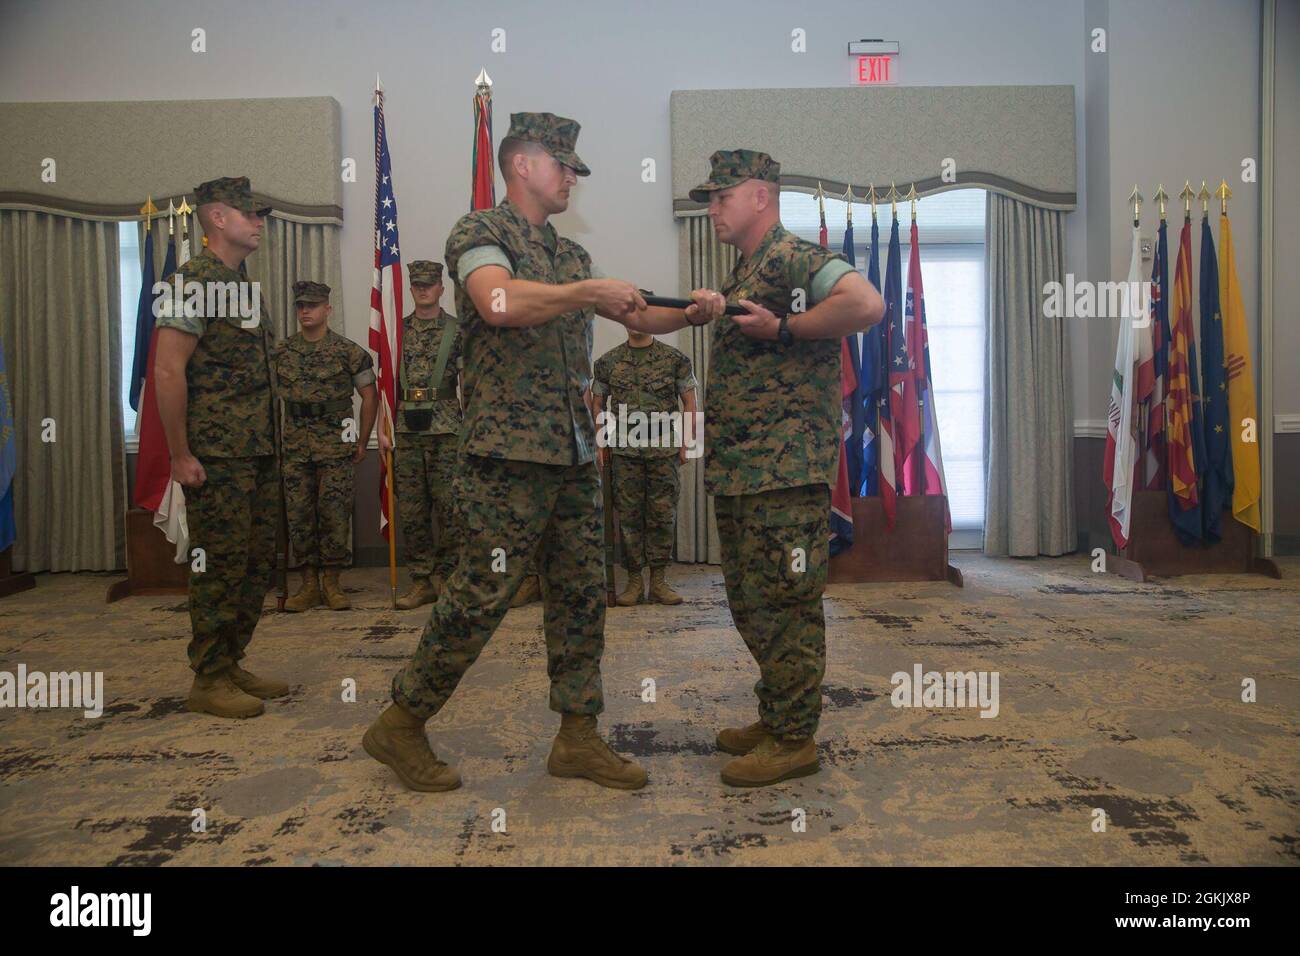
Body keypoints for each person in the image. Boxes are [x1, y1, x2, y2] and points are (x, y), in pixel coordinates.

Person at [362, 112, 650, 792]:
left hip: (574, 455)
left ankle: (577, 735)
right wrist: (587, 294)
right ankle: (401, 722)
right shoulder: (480, 234)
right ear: (522, 164)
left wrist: (690, 311)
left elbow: (634, 312)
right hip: (506, 457)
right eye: (563, 165)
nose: (573, 178)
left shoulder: (571, 256)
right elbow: (495, 301)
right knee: (481, 595)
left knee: (581, 596)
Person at [621, 149, 884, 786]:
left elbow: (867, 305)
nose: (712, 209)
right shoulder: (745, 270)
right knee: (751, 600)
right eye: (709, 199)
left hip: (785, 470)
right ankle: (778, 715)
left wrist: (786, 328)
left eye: (721, 197)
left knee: (788, 603)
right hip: (743, 469)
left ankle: (796, 740)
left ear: (760, 196)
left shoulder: (793, 257)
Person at [153, 175, 290, 719]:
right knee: (220, 566)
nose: (258, 223)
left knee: (256, 564)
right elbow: (168, 370)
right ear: (217, 218)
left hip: (257, 451)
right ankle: (207, 678)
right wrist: (181, 454)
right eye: (250, 214)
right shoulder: (190, 283)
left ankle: (230, 661)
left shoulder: (242, 286)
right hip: (217, 456)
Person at [273, 280, 377, 611]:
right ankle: (307, 585)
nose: (305, 311)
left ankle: (332, 583)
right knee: (300, 515)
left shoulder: (349, 352)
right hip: (296, 445)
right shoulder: (281, 353)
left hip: (337, 444)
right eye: (300, 305)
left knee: (335, 513)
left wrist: (362, 440)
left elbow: (369, 396)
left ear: (327, 309)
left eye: (312, 305)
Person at [379, 260, 463, 610]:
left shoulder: (458, 332)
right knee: (412, 510)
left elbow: (468, 383)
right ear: (410, 289)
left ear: (442, 288)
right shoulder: (395, 333)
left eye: (430, 284)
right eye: (418, 285)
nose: (424, 289)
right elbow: (385, 382)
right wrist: (382, 427)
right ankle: (422, 580)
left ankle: (448, 576)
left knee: (451, 508)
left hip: (447, 429)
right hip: (405, 429)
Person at [592, 329, 697, 605]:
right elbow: (598, 404)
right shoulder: (608, 362)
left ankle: (659, 581)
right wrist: (601, 444)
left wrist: (685, 443)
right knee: (628, 515)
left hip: (664, 449)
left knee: (663, 514)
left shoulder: (676, 359)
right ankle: (635, 581)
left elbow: (689, 402)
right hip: (625, 450)